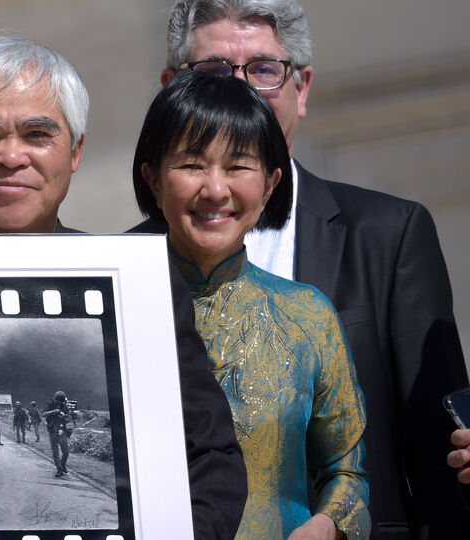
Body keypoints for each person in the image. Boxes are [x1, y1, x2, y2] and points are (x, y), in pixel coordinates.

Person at [132, 2, 470, 536]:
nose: (239, 91)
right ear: (171, 91)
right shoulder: (120, 279)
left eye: (263, 69)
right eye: (214, 72)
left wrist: (332, 523)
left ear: (302, 87)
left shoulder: (387, 237)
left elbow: (440, 450)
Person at [0, 35, 247, 539]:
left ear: (76, 151)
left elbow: (211, 458)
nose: (11, 156)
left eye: (38, 134)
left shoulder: (140, 282)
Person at [132, 69, 369, 539]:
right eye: (192, 165)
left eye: (238, 166)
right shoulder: (121, 310)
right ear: (154, 180)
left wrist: (327, 525)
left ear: (270, 184)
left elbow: (347, 470)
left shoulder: (308, 315)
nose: (215, 189)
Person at [42, 391, 73, 477]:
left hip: (62, 430)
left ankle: (62, 465)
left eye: (62, 402)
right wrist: (54, 411)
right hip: (52, 430)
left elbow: (69, 418)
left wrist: (64, 416)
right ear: (55, 400)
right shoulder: (50, 404)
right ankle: (59, 469)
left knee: (66, 452)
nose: (61, 403)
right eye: (59, 401)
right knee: (55, 452)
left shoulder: (64, 406)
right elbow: (43, 414)